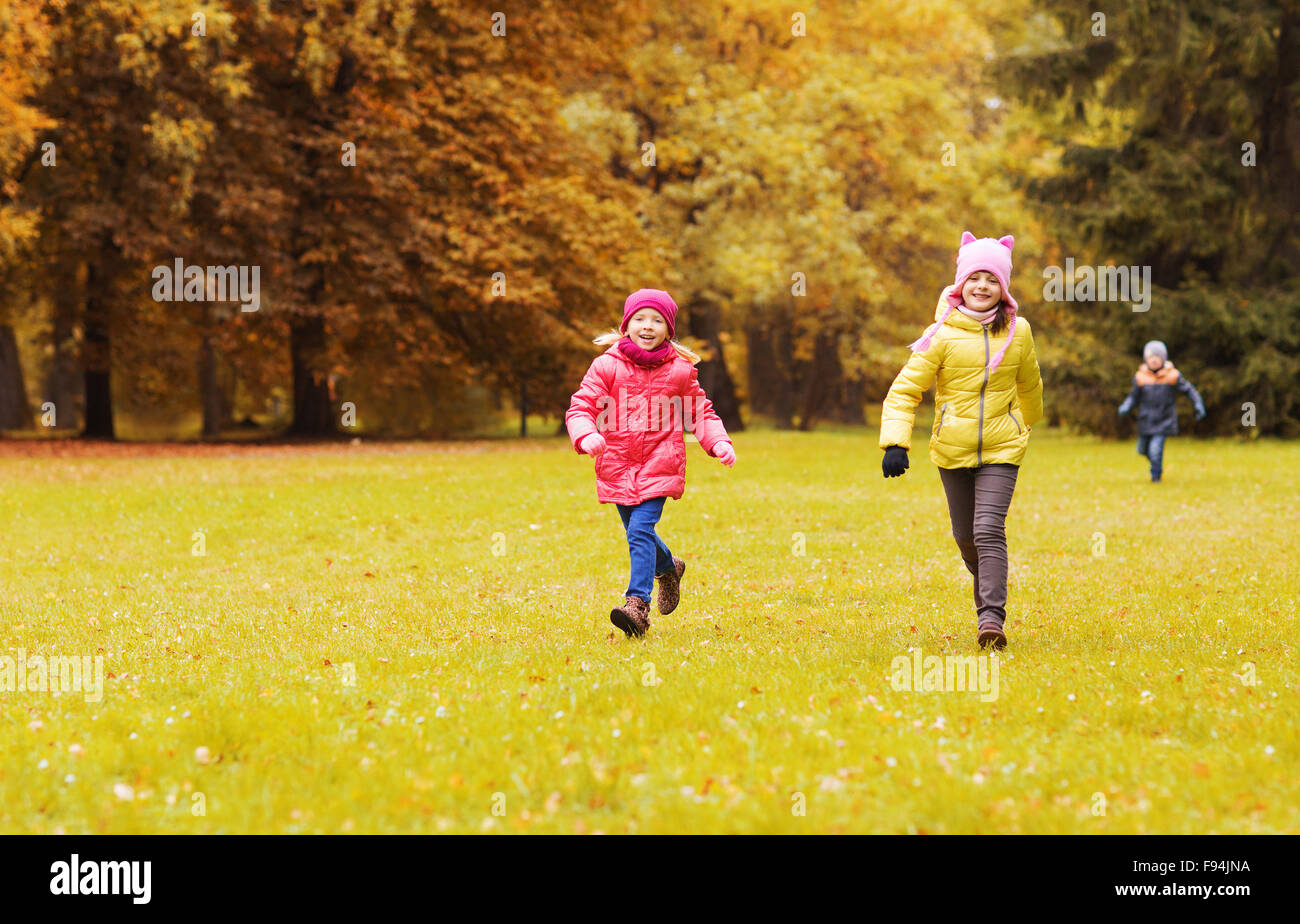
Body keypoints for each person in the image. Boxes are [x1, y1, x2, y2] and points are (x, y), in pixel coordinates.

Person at [878, 232, 1043, 649]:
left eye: (991, 278)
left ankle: (991, 620)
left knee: (988, 530)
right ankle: (987, 573)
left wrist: (1025, 421)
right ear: (960, 284)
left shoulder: (1018, 331)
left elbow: (1031, 383)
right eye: (975, 278)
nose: (982, 286)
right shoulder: (942, 334)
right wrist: (896, 442)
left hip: (1003, 449)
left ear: (1003, 286)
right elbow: (904, 391)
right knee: (965, 536)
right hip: (952, 448)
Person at [565, 289, 735, 637]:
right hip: (617, 465)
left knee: (640, 531)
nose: (648, 326)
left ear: (668, 330)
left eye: (657, 320)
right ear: (627, 325)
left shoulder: (679, 371)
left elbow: (700, 411)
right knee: (636, 531)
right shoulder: (606, 366)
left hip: (660, 463)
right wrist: (586, 435)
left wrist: (717, 441)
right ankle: (668, 566)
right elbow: (581, 407)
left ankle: (637, 605)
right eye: (640, 318)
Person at [1117, 340, 1206, 482]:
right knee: (1143, 450)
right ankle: (1155, 464)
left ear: (1163, 359)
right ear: (1146, 359)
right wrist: (1126, 406)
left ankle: (1156, 477)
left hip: (1164, 419)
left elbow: (1189, 390)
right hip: (1146, 419)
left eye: (1156, 357)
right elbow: (1133, 397)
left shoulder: (1172, 376)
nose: (1153, 360)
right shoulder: (1140, 377)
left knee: (1155, 450)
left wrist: (1198, 403)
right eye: (1150, 357)